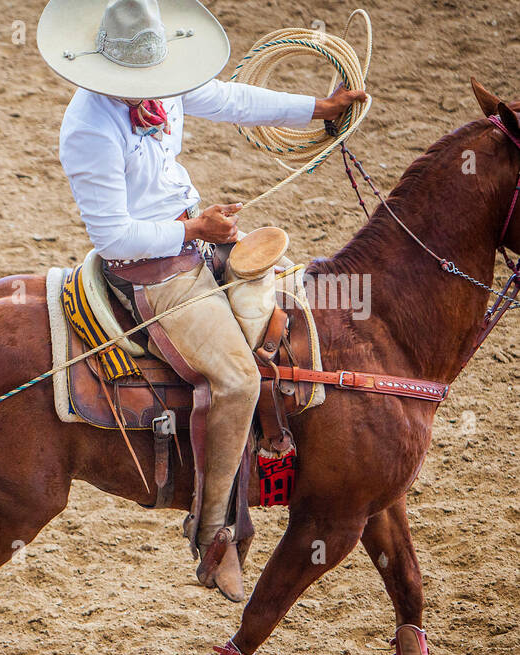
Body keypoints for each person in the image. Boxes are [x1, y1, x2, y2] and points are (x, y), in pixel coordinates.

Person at [37, 0, 366, 599]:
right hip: (152, 267)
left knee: (287, 322)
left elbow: (231, 99)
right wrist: (196, 233)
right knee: (238, 379)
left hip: (197, 231)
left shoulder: (164, 88)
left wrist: (317, 108)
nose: (162, 89)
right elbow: (114, 239)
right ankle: (214, 535)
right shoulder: (88, 128)